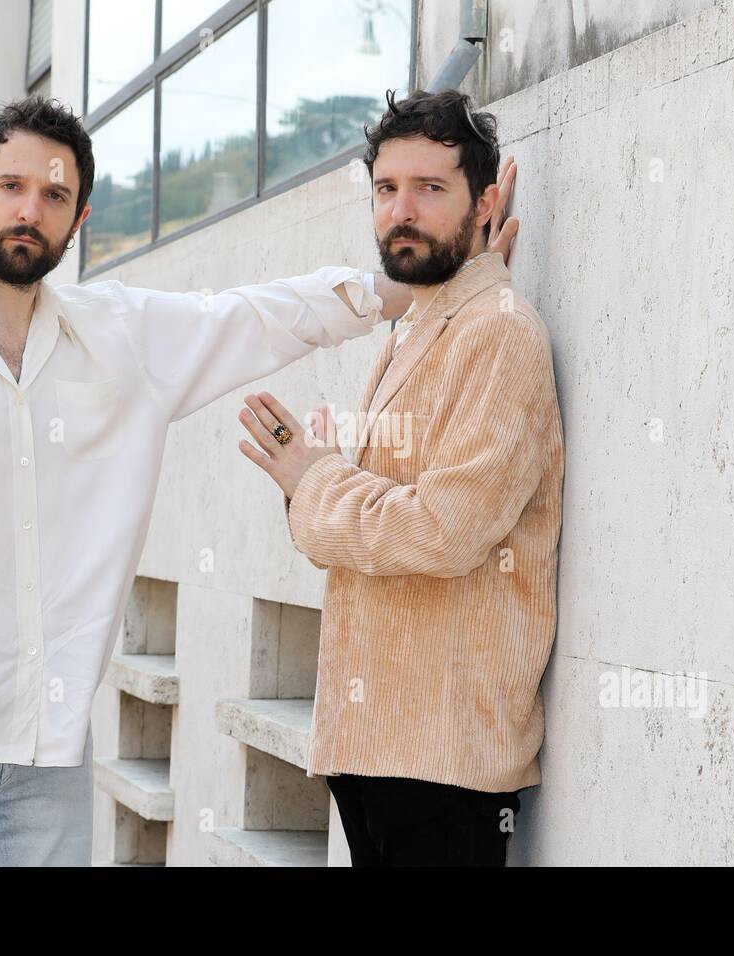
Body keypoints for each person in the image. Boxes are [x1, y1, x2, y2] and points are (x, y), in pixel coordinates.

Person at [0, 94, 450, 866]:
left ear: (80, 217)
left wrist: (438, 277)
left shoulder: (118, 336)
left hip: (49, 757)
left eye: (54, 195)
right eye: (11, 187)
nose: (31, 209)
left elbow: (261, 314)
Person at [237, 89, 562, 866]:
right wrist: (306, 483)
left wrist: (313, 481)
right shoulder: (423, 326)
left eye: (430, 189)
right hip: (377, 748)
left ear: (484, 202)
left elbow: (443, 531)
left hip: (442, 762)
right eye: (387, 189)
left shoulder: (502, 335)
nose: (401, 210)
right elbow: (369, 526)